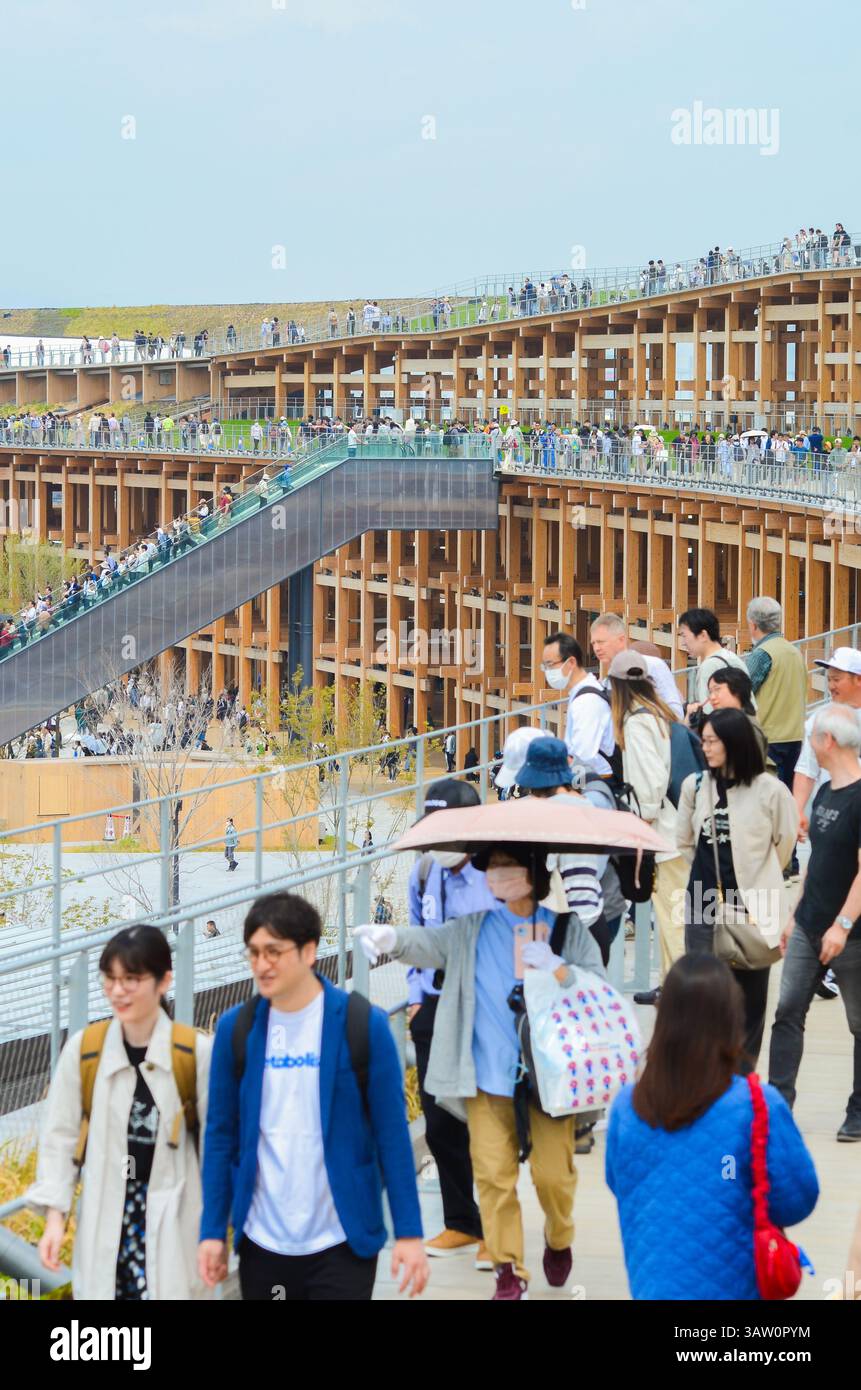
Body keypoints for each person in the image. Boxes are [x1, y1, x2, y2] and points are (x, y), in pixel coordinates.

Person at [357, 841, 605, 1300]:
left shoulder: (565, 931)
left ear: (533, 871)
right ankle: (508, 1272)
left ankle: (559, 1237)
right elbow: (430, 943)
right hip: (487, 1077)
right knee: (492, 1174)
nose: (498, 877)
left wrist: (558, 971)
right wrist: (392, 939)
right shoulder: (472, 929)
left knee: (554, 1177)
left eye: (508, 867)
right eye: (493, 869)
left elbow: (597, 984)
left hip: (548, 1083)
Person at [199, 893, 427, 1300]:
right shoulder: (237, 1030)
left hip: (342, 1238)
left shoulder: (362, 1024)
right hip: (262, 1240)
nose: (262, 964)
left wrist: (409, 1233)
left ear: (308, 951)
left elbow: (391, 1134)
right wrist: (213, 1231)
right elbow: (220, 1136)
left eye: (274, 951)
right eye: (253, 953)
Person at [606, 953, 818, 1300]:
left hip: (651, 1286)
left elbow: (620, 1183)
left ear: (663, 1017)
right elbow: (797, 1201)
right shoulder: (757, 1105)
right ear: (733, 1019)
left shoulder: (627, 1107)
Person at [29, 926, 211, 1300]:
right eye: (110, 979)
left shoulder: (194, 1054)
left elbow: (219, 1148)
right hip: (104, 1223)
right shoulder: (85, 1050)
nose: (117, 990)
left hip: (174, 1225)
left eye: (132, 979)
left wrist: (215, 1233)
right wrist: (54, 1220)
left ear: (164, 981)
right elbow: (60, 1136)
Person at [406, 779, 497, 1265]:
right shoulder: (424, 871)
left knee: (486, 1117)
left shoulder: (497, 873)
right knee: (440, 1120)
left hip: (485, 1004)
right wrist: (416, 998)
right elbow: (417, 936)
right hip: (436, 1003)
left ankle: (497, 1228)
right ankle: (461, 1221)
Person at [676, 707, 797, 1069]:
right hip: (702, 904)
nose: (706, 747)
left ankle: (742, 1080)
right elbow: (684, 841)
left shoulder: (771, 791)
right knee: (702, 998)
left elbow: (784, 843)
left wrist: (751, 876)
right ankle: (707, 1077)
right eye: (704, 740)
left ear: (735, 743)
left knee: (749, 1000)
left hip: (753, 904)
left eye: (713, 741)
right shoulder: (695, 785)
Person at [768, 705, 861, 1141]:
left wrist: (843, 924)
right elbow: (817, 860)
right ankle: (778, 1104)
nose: (809, 746)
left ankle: (858, 1111)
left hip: (851, 931)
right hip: (809, 923)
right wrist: (794, 913)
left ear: (829, 742)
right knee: (788, 1011)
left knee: (859, 1023)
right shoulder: (825, 792)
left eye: (813, 738)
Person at [606, 650, 688, 1005]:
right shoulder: (660, 713)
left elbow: (649, 781)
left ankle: (681, 987)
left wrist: (643, 826)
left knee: (671, 917)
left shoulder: (637, 721)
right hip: (677, 826)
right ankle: (673, 984)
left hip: (662, 833)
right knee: (675, 913)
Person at [541, 631, 617, 779]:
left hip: (596, 782)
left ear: (571, 662)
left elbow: (583, 757)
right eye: (545, 666)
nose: (548, 671)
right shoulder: (583, 693)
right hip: (591, 779)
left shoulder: (587, 701)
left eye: (550, 665)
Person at [590, 612, 684, 719]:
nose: (596, 648)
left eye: (601, 642)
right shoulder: (607, 682)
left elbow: (675, 712)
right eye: (593, 643)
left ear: (621, 640)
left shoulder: (652, 665)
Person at [677, 606, 753, 724]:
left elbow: (709, 716)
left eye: (684, 635)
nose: (683, 642)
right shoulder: (731, 657)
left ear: (703, 635)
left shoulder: (709, 666)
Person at [706, 665, 770, 766]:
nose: (712, 697)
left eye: (717, 689)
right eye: (710, 692)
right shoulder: (728, 722)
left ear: (737, 690)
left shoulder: (747, 727)